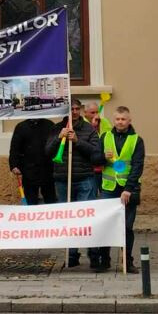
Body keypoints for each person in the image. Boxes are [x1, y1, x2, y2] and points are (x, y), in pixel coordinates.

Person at [46, 100, 104, 269]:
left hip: (85, 178)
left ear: (82, 110)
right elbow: (47, 151)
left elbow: (96, 153)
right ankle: (71, 255)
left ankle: (93, 255)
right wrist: (59, 138)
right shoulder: (56, 129)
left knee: (87, 219)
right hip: (63, 179)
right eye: (72, 109)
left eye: (78, 109)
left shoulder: (88, 129)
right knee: (68, 220)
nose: (75, 112)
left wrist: (78, 141)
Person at [98, 106, 144, 273]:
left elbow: (138, 166)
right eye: (117, 119)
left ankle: (127, 261)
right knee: (106, 225)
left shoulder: (136, 140)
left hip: (128, 189)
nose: (120, 122)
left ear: (129, 121)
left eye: (123, 119)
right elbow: (95, 159)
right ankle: (105, 260)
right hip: (108, 188)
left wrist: (128, 189)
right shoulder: (105, 137)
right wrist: (103, 157)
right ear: (113, 120)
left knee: (127, 227)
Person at [9, 115, 56, 205]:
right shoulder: (21, 126)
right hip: (28, 170)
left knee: (50, 199)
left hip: (47, 169)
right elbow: (15, 148)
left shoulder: (49, 125)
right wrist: (14, 165)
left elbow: (55, 145)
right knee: (30, 200)